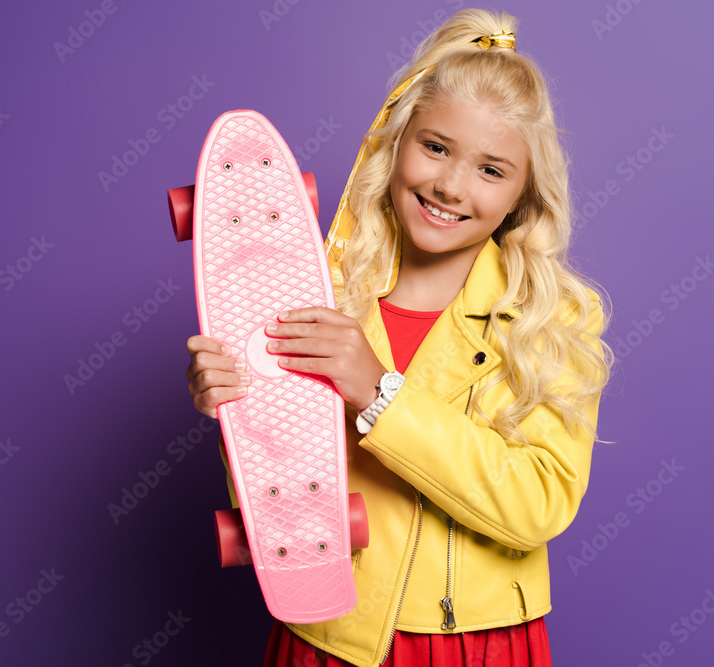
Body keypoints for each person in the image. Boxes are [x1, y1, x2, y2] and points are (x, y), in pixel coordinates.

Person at [184, 8, 614, 667]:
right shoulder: (321, 294)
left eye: (491, 170)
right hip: (327, 634)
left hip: (476, 645)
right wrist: (238, 416)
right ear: (395, 142)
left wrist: (378, 391)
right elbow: (280, 511)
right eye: (436, 147)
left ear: (524, 193)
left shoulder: (555, 318)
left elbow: (537, 504)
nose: (449, 184)